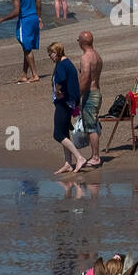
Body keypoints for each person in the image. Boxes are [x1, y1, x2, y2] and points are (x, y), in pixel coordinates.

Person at [47, 42, 87, 175]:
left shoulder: (62, 64)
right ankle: (68, 163)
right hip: (68, 102)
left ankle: (79, 158)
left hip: (64, 103)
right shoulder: (66, 63)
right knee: (64, 133)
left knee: (57, 134)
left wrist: (58, 91)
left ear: (57, 52)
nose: (50, 57)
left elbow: (61, 80)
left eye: (51, 54)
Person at [0, 0, 42, 83]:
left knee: (26, 48)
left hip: (25, 20)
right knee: (26, 47)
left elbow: (16, 12)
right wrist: (38, 17)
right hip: (33, 17)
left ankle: (35, 75)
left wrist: (2, 19)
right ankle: (24, 75)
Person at [77, 30, 103, 169]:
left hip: (90, 94)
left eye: (78, 40)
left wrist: (78, 95)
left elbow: (86, 78)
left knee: (91, 126)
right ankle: (95, 155)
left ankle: (95, 157)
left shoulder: (86, 57)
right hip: (96, 92)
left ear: (82, 42)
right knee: (91, 124)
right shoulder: (97, 56)